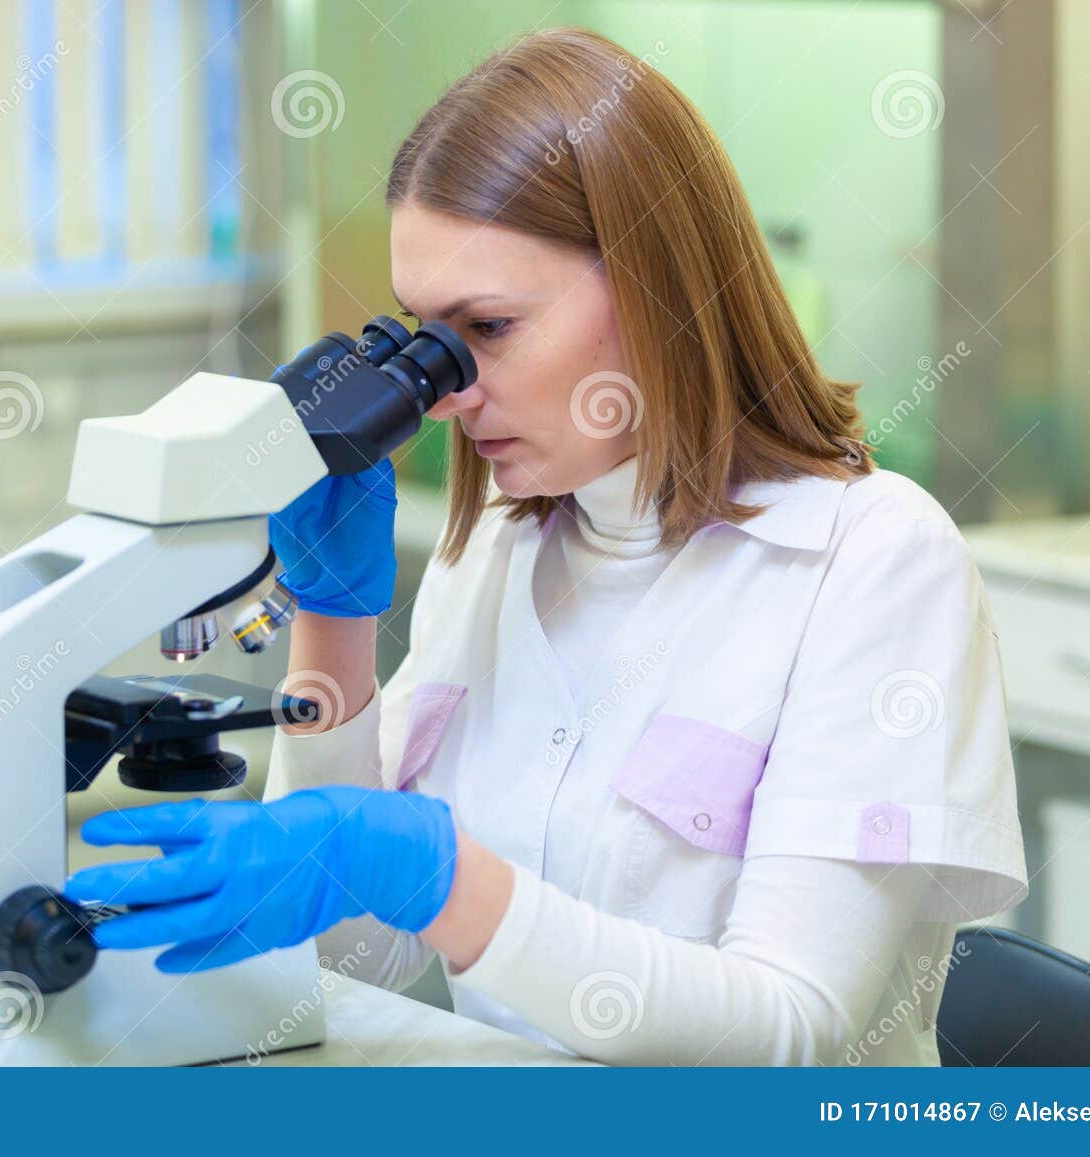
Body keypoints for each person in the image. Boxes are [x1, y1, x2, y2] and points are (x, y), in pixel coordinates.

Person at [65, 25, 1027, 1066]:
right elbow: (355, 957)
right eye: (425, 337)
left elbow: (789, 1029)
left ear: (657, 290)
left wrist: (439, 876)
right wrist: (334, 629)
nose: (447, 394)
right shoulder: (497, 545)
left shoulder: (873, 560)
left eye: (487, 328)